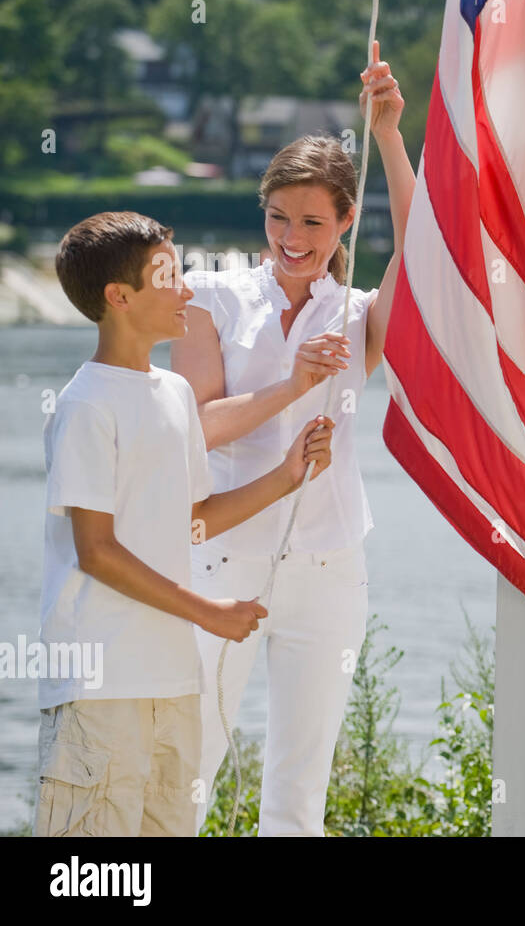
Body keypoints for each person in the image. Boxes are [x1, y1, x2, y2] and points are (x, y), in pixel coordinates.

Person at [171, 42, 415, 836]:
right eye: (279, 216)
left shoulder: (358, 313)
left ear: (348, 219)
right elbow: (196, 429)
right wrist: (292, 385)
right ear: (262, 211)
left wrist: (387, 135)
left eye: (313, 221)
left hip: (331, 564)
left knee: (299, 785)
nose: (293, 236)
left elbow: (430, 260)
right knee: (191, 763)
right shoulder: (208, 298)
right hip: (221, 554)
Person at [35, 211, 334, 837]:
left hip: (173, 682)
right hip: (101, 686)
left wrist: (285, 475)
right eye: (169, 276)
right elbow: (96, 551)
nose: (189, 290)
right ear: (119, 297)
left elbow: (194, 520)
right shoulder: (86, 405)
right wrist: (208, 612)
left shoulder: (173, 393)